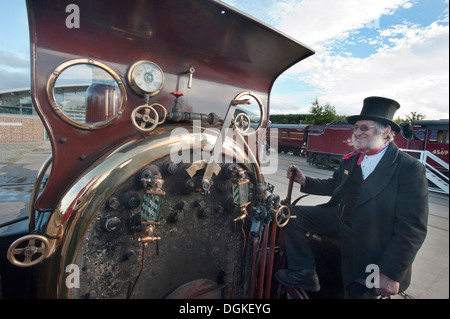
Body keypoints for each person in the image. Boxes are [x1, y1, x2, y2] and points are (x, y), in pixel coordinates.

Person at [275, 96, 429, 298]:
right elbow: (334, 185)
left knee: (355, 292)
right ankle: (304, 272)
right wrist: (305, 181)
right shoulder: (352, 159)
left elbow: (412, 227)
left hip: (371, 239)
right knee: (290, 216)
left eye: (364, 128)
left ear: (386, 131)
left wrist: (392, 273)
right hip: (339, 220)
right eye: (356, 128)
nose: (357, 133)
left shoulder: (409, 168)